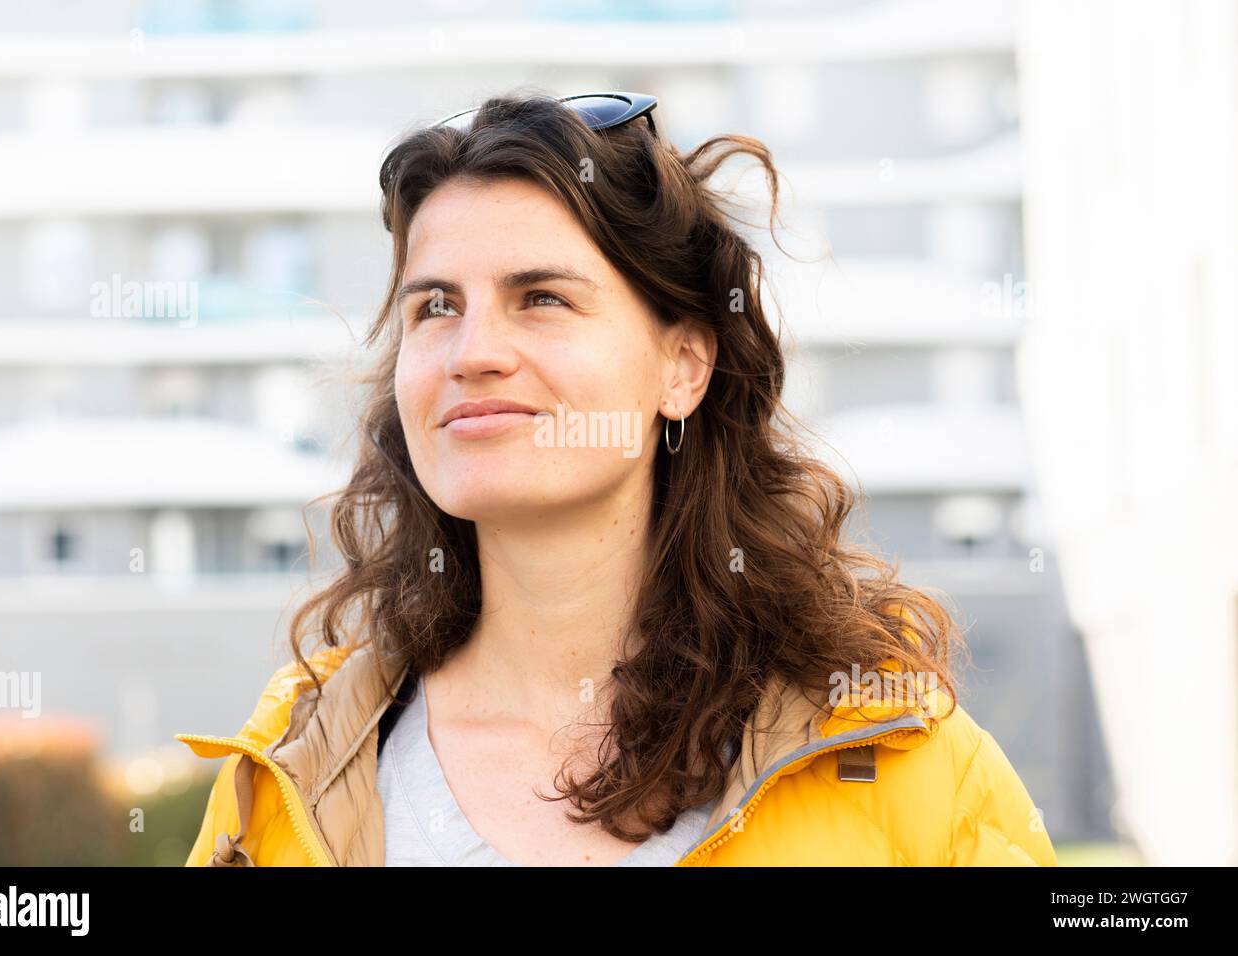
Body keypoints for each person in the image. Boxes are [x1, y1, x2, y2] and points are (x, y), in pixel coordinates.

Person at [178, 90, 1058, 867]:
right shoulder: (287, 773)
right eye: (435, 306)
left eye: (543, 298)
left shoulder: (896, 758)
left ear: (683, 366)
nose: (473, 352)